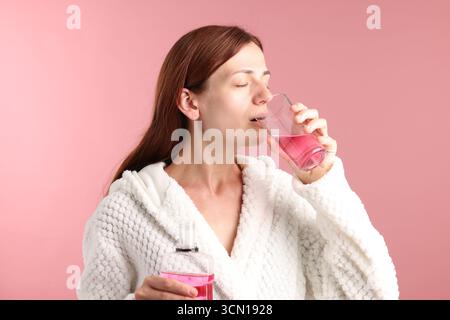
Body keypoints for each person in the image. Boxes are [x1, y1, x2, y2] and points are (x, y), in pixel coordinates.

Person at [77, 25, 399, 300]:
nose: (265, 97)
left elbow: (373, 290)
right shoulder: (126, 212)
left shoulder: (280, 198)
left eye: (266, 82)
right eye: (243, 83)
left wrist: (322, 177)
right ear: (190, 102)